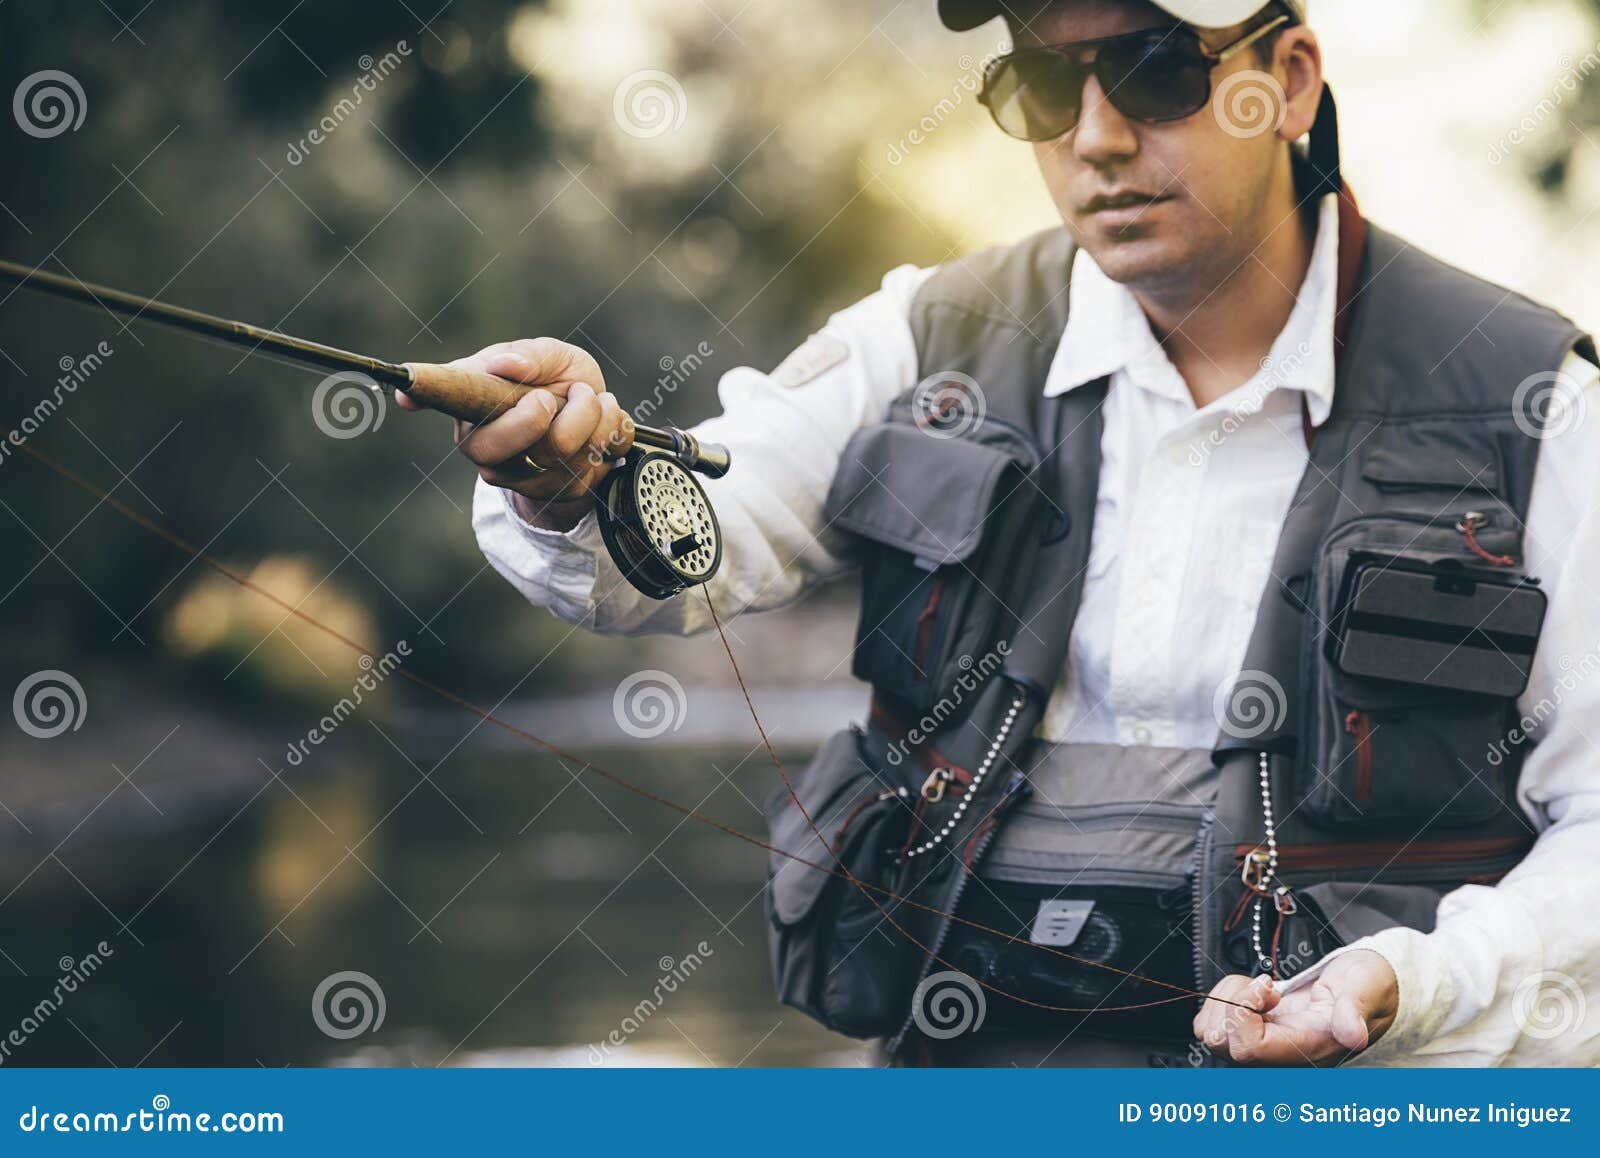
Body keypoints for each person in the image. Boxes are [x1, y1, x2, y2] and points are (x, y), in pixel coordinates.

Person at [404, 0, 1600, 1067]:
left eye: (1150, 71)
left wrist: (1410, 985)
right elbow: (686, 538)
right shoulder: (925, 341)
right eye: (1036, 84)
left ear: (1286, 77)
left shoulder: (1533, 402)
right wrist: (572, 481)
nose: (1094, 137)